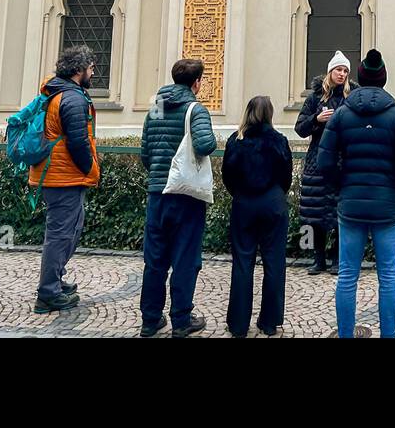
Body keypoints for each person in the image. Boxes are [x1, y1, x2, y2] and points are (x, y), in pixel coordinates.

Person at [316, 49, 395, 339]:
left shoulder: (341, 116)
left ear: (359, 79)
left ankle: (346, 335)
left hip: (351, 206)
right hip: (388, 207)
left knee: (348, 276)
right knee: (388, 276)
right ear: (384, 79)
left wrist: (343, 187)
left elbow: (324, 161)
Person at [138, 58, 218, 338]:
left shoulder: (157, 107)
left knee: (155, 259)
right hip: (185, 196)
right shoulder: (195, 109)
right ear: (196, 83)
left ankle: (150, 320)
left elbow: (145, 153)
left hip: (157, 194)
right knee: (185, 258)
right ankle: (181, 319)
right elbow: (205, 144)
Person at [29, 45, 101, 314]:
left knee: (68, 231)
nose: (93, 73)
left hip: (58, 175)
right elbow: (78, 142)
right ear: (79, 70)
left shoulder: (58, 92)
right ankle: (48, 293)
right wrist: (91, 169)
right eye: (91, 68)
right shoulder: (72, 98)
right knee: (60, 235)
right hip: (64, 178)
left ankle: (54, 281)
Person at [222, 95, 293, 337]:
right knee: (274, 263)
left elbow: (227, 176)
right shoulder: (279, 141)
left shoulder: (236, 141)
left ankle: (239, 324)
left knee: (243, 263)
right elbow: (287, 177)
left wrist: (240, 193)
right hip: (273, 204)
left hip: (244, 204)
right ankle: (269, 322)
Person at [293, 50, 354, 274]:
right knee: (316, 213)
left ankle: (337, 259)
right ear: (330, 71)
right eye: (339, 69)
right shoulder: (314, 98)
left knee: (340, 213)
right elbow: (299, 128)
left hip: (342, 161)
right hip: (316, 161)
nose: (342, 74)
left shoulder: (351, 97)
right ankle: (318, 259)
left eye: (346, 70)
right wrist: (316, 119)